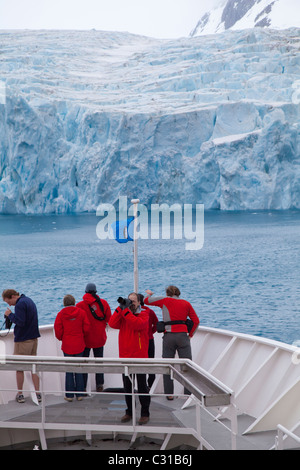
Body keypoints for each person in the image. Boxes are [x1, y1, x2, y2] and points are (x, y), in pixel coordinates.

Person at [144, 285, 199, 400]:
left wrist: (150, 293)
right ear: (178, 293)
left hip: (169, 336)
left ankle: (169, 394)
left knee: (168, 366)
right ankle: (187, 395)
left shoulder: (164, 300)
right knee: (186, 367)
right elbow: (196, 321)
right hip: (183, 337)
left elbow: (146, 301)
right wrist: (190, 334)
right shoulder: (186, 303)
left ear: (167, 293)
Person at [109, 293, 150, 425]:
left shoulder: (144, 314)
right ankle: (129, 412)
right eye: (129, 301)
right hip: (126, 356)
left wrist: (125, 311)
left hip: (140, 357)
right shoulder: (124, 314)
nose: (131, 304)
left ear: (139, 303)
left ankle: (145, 413)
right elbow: (112, 323)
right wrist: (119, 308)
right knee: (127, 386)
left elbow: (137, 325)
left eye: (133, 301)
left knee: (142, 386)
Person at [2, 289, 41, 404]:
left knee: (19, 368)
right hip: (33, 339)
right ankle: (38, 393)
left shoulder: (19, 305)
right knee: (34, 367)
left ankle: (20, 394)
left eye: (8, 301)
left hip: (23, 340)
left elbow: (21, 322)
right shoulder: (29, 301)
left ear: (13, 296)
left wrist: (10, 315)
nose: (9, 304)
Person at [76, 283, 111, 392]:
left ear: (85, 291)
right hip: (99, 337)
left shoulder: (80, 305)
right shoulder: (103, 303)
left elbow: (77, 322)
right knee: (99, 362)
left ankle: (84, 387)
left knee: (84, 363)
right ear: (96, 291)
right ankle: (99, 385)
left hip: (85, 338)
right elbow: (109, 319)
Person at [54, 294, 90, 402]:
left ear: (64, 303)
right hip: (79, 344)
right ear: (74, 302)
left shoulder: (60, 314)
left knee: (69, 370)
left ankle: (69, 395)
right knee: (79, 368)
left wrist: (62, 338)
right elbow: (87, 328)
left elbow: (58, 330)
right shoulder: (81, 313)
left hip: (67, 345)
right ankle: (80, 394)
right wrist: (81, 335)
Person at [138, 293, 158, 390]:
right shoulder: (149, 311)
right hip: (149, 339)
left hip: (139, 341)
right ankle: (151, 385)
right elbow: (156, 324)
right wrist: (151, 332)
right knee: (150, 363)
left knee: (139, 363)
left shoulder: (134, 312)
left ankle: (141, 386)